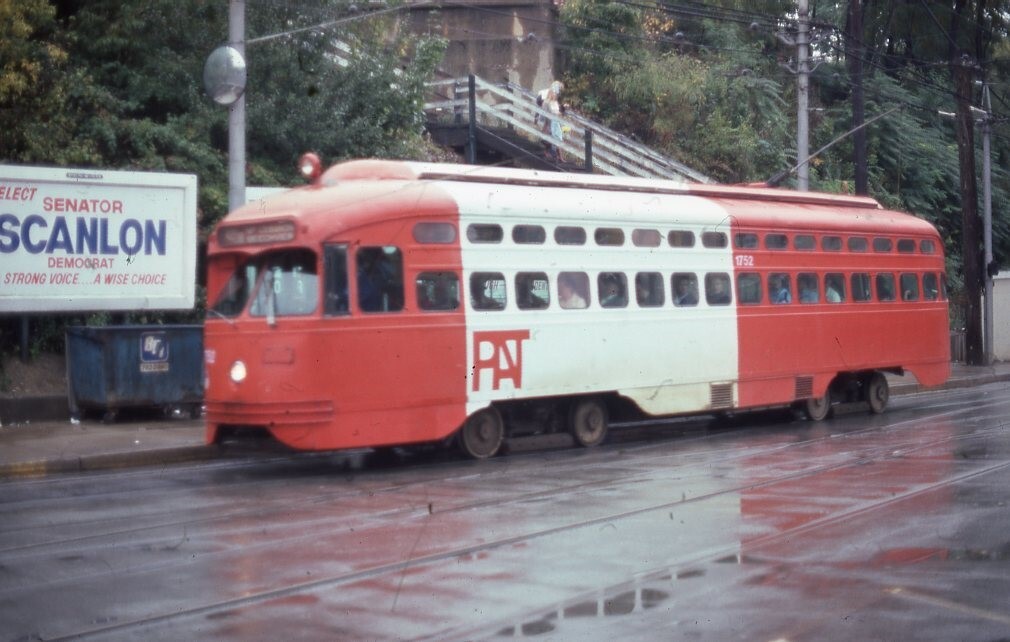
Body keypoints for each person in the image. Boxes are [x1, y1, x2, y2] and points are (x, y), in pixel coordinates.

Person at [537, 80, 566, 162]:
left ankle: (557, 155)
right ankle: (560, 157)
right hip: (553, 123)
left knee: (554, 139)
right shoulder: (551, 102)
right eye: (556, 93)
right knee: (557, 139)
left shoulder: (548, 102)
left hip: (551, 123)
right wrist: (563, 110)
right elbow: (555, 114)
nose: (556, 95)